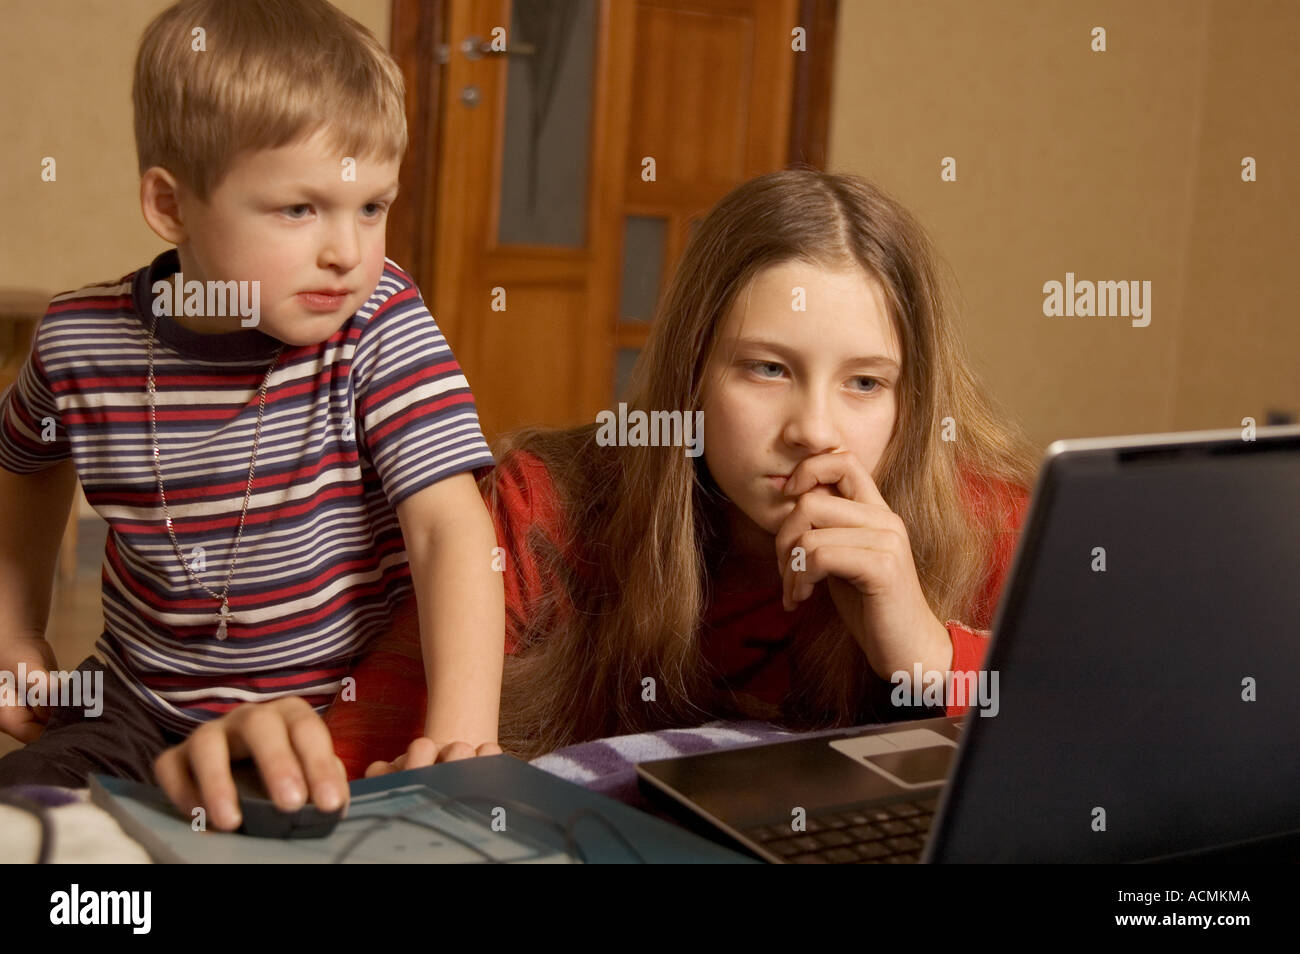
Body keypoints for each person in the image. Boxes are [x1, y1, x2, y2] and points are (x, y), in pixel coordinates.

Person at [324, 169, 1038, 778]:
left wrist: (928, 656)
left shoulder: (990, 524)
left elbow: (1099, 775)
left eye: (865, 383)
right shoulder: (542, 510)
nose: (814, 430)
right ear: (690, 375)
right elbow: (352, 765)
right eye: (767, 368)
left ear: (911, 403)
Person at [0, 0, 504, 832]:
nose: (346, 251)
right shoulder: (79, 342)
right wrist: (17, 630)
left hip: (325, 716)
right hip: (136, 707)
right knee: (27, 822)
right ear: (171, 206)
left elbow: (450, 531)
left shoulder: (378, 322)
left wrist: (459, 743)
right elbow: (26, 462)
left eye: (371, 207)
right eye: (299, 210)